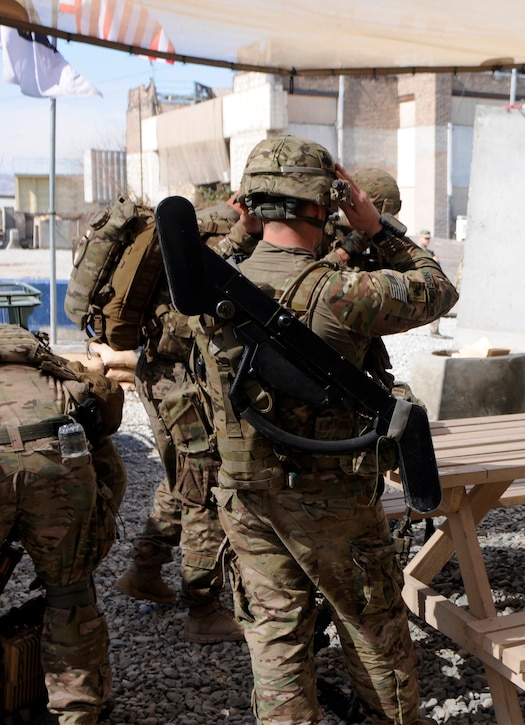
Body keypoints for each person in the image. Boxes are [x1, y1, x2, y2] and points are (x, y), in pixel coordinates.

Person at [185, 135, 457, 724]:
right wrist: (378, 226)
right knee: (373, 632)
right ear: (323, 206)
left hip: (246, 493)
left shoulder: (209, 289)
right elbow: (439, 287)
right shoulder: (343, 293)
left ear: (251, 203)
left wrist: (242, 229)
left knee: (277, 636)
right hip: (330, 500)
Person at [113, 201, 245, 644]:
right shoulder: (221, 237)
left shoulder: (189, 226)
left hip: (158, 377)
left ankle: (144, 570)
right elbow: (199, 322)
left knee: (181, 478)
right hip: (183, 386)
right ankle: (202, 609)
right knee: (203, 492)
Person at [0, 323, 125, 724]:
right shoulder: (50, 367)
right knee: (70, 593)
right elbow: (108, 409)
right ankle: (77, 712)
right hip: (58, 467)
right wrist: (93, 528)